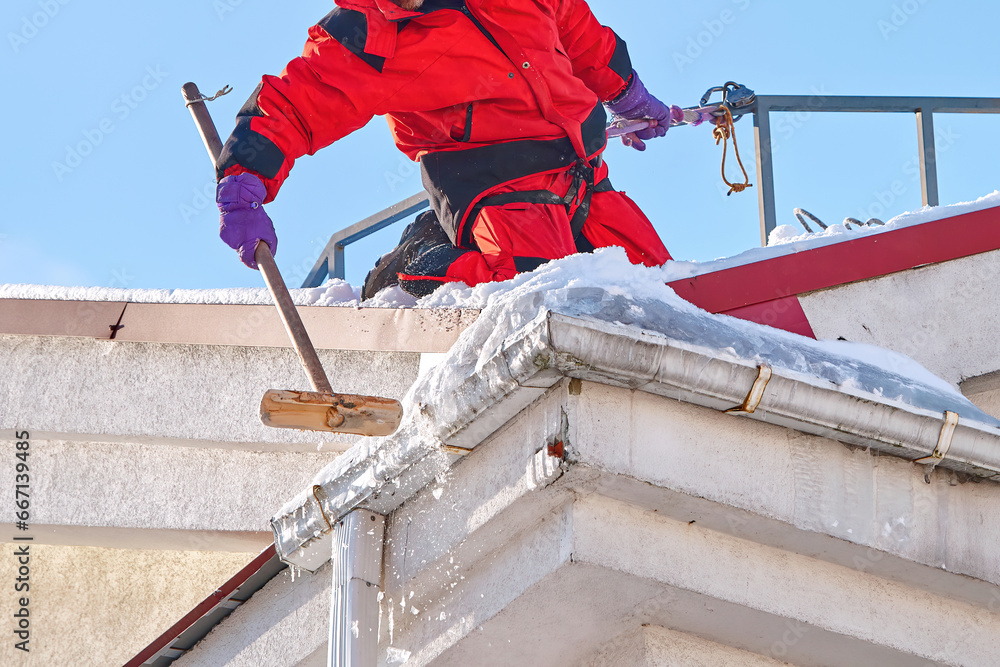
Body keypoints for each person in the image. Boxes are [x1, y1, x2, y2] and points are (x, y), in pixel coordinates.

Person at [216, 0, 673, 299]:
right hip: (496, 184)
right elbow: (297, 101)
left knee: (662, 286)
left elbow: (576, 29)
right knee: (537, 290)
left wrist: (625, 90)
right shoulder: (371, 35)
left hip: (581, 170)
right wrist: (244, 179)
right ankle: (412, 267)